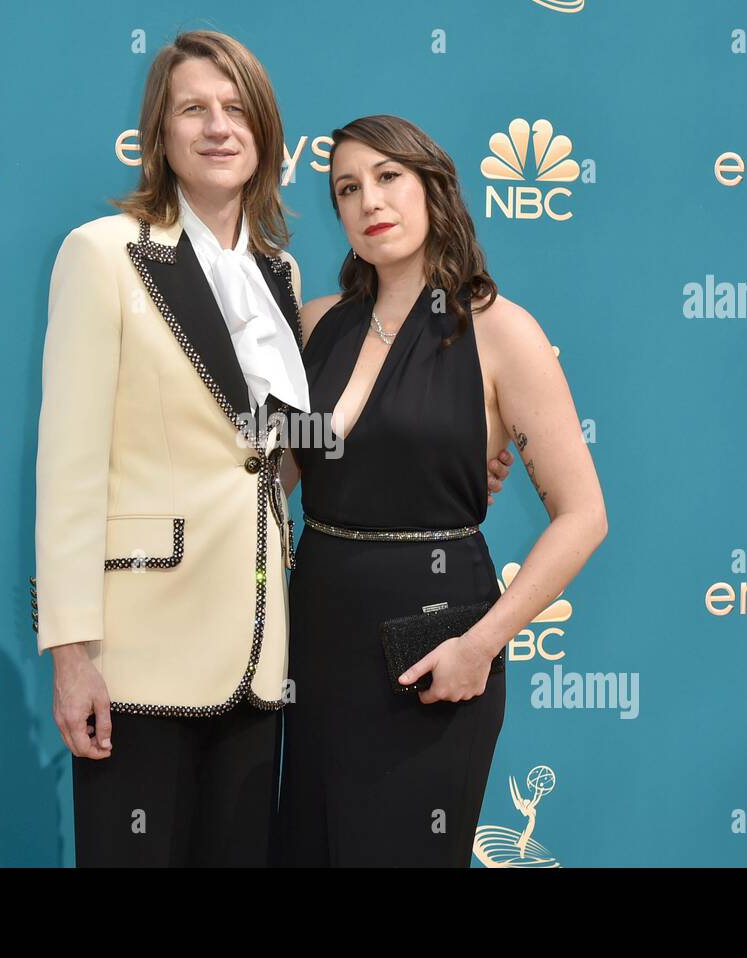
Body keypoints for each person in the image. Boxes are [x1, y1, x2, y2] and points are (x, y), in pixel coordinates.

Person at [33, 33, 512, 867]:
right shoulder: (102, 254)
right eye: (193, 109)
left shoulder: (280, 276)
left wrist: (445, 458)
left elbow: (275, 447)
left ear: (266, 133)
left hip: (266, 654)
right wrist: (72, 655)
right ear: (161, 133)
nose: (218, 128)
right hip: (141, 653)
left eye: (235, 109)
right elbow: (67, 468)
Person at [273, 115, 608, 867]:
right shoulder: (316, 326)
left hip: (438, 646)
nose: (369, 201)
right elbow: (273, 486)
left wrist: (482, 644)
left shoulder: (499, 329)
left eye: (389, 177)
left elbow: (583, 516)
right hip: (318, 640)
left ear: (433, 189)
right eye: (347, 189)